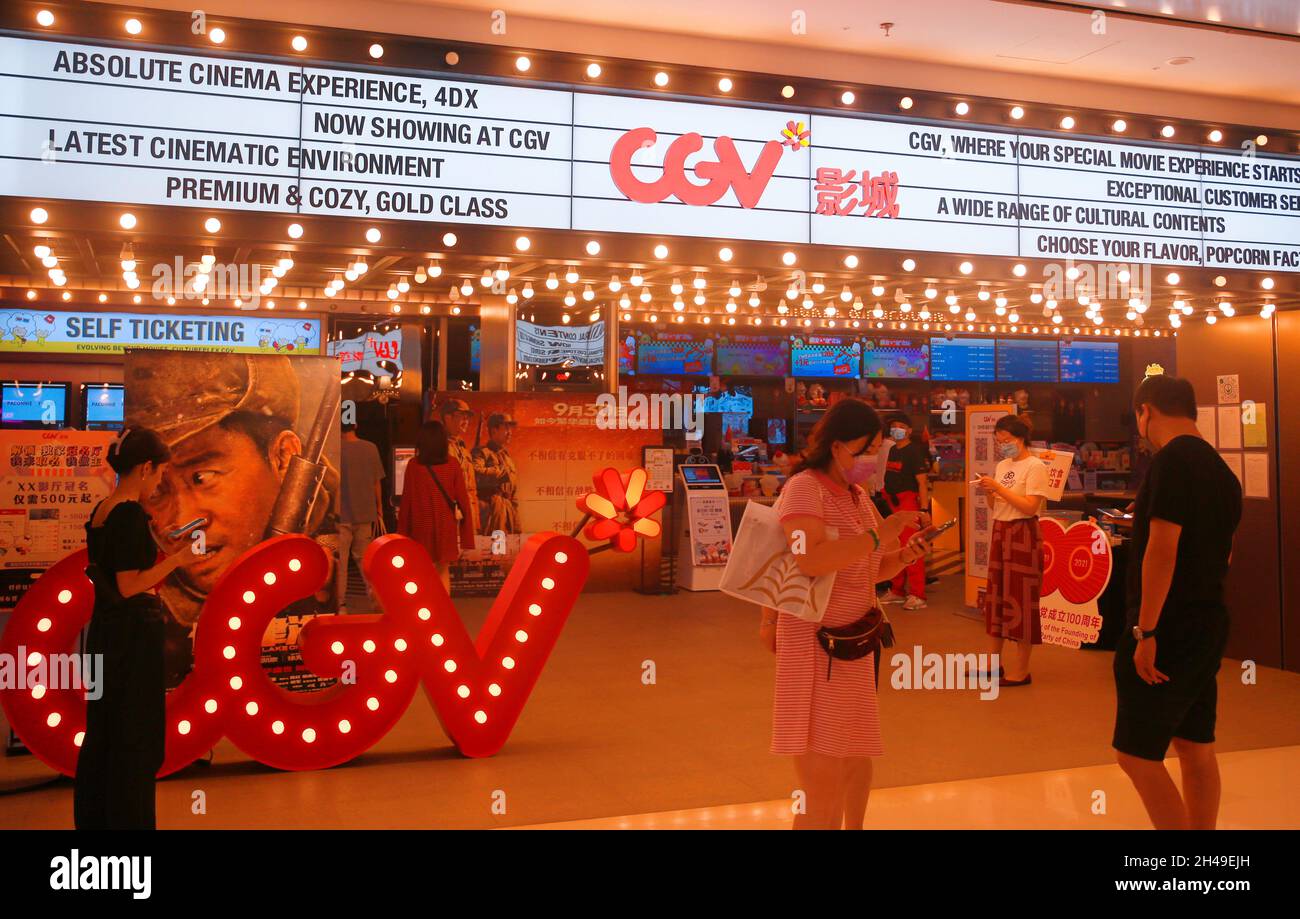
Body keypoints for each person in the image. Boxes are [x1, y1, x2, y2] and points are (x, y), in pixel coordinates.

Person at [760, 398, 931, 830]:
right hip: (815, 645)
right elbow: (809, 559)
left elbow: (875, 566)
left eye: (876, 448)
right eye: (864, 449)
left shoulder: (855, 495)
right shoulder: (805, 488)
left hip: (855, 645)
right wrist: (878, 537)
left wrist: (904, 555)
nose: (871, 459)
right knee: (821, 775)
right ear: (836, 447)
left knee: (855, 757)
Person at [125, 353, 339, 684]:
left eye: (202, 477)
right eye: (157, 493)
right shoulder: (150, 610)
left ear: (284, 458)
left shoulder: (330, 560)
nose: (180, 523)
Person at [1113, 374, 1241, 830]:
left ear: (1147, 411)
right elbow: (1223, 550)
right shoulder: (1221, 470)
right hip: (1208, 620)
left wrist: (1145, 630)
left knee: (1135, 754)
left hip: (1168, 626)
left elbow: (1162, 548)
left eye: (1138, 417)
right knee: (1194, 743)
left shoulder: (1171, 463)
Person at [75, 428, 211, 830]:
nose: (158, 483)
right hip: (131, 641)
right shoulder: (130, 513)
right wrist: (179, 558)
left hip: (104, 634)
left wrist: (161, 546)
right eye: (159, 474)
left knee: (103, 734)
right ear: (146, 467)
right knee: (135, 740)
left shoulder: (104, 509)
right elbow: (130, 584)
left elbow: (114, 568)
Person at [976, 414, 1049, 686]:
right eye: (999, 441)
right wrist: (988, 491)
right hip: (1001, 532)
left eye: (1006, 440)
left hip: (1024, 535)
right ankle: (991, 665)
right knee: (996, 598)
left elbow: (1030, 507)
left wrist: (997, 488)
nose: (1002, 445)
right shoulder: (1003, 465)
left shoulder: (1035, 466)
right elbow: (997, 507)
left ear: (1021, 438)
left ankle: (1021, 671)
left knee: (1021, 600)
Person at [398, 421, 477, 593]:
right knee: (442, 571)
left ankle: (424, 609)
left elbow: (407, 501)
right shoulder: (453, 464)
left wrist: (402, 534)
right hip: (445, 526)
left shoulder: (414, 466)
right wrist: (467, 535)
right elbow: (463, 500)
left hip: (420, 527)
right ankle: (444, 611)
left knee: (421, 571)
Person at [879, 412, 931, 610]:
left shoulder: (914, 451)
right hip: (891, 504)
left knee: (913, 546)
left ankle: (918, 595)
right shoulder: (892, 451)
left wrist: (924, 510)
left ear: (909, 431)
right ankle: (897, 590)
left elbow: (922, 483)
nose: (896, 429)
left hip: (908, 503)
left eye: (901, 426)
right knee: (894, 547)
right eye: (894, 426)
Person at [337, 422, 386, 613]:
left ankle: (341, 605)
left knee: (341, 562)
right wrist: (379, 508)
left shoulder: (336, 450)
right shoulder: (370, 448)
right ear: (355, 425)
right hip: (365, 511)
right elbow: (376, 482)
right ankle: (376, 600)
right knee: (364, 560)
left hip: (341, 514)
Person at [472, 413, 520, 536]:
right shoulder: (482, 452)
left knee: (507, 550)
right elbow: (476, 473)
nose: (510, 432)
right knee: (494, 550)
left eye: (511, 429)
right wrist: (501, 473)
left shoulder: (507, 457)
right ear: (494, 430)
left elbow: (513, 491)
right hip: (493, 510)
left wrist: (516, 520)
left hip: (508, 510)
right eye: (506, 428)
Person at [438, 398, 480, 534]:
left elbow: (471, 488)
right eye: (462, 416)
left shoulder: (462, 447)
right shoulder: (439, 447)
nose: (466, 421)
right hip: (449, 513)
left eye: (467, 417)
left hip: (465, 511)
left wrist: (474, 518)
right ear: (448, 417)